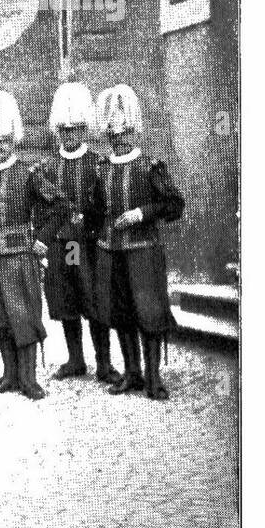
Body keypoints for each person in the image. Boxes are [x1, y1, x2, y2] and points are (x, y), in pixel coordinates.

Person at [0, 91, 68, 402]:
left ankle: (29, 379)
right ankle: (9, 375)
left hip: (19, 257)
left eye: (4, 140)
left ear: (14, 139)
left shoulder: (28, 172)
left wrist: (42, 240)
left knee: (23, 315)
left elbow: (61, 206)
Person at [89, 85, 185, 401]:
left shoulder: (150, 166)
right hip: (111, 252)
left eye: (125, 131)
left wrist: (141, 213)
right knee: (120, 313)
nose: (119, 138)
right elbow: (94, 211)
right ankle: (132, 374)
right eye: (113, 133)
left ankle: (154, 378)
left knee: (149, 313)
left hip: (144, 251)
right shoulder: (101, 169)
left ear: (135, 129)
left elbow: (174, 205)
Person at [44, 82, 120, 386]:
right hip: (65, 244)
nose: (69, 135)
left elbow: (107, 204)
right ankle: (76, 359)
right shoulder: (49, 166)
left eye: (75, 129)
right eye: (64, 130)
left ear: (85, 129)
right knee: (66, 297)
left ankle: (103, 363)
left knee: (95, 298)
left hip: (90, 243)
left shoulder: (99, 163)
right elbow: (43, 208)